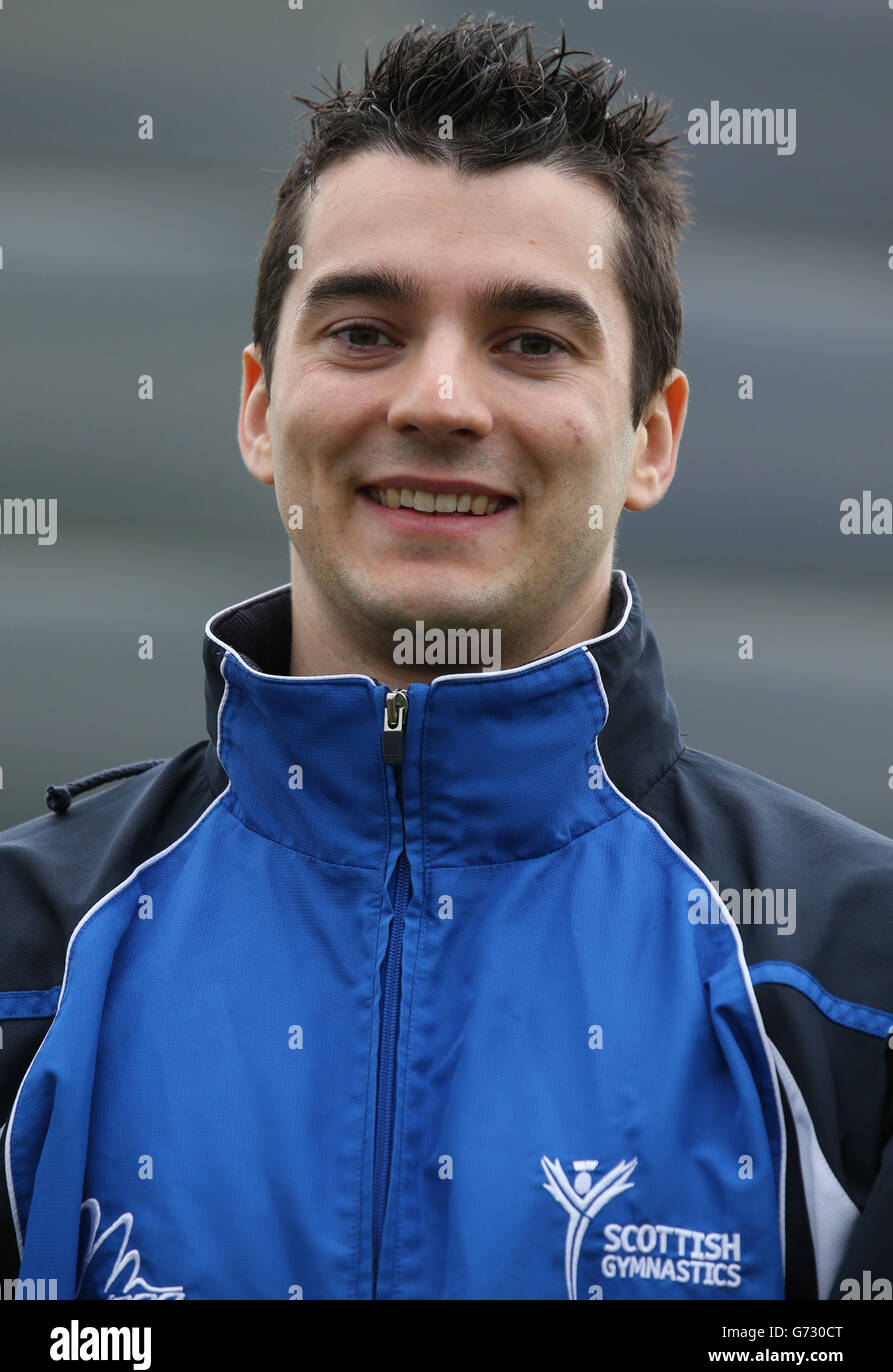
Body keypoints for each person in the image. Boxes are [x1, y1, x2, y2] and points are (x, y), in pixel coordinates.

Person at [1, 15, 891, 1303]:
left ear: (653, 436)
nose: (438, 402)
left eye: (533, 341)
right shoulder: (33, 959)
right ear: (261, 406)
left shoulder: (849, 983)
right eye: (364, 330)